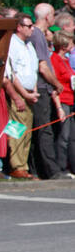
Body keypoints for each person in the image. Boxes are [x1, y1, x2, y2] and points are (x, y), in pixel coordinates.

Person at [2, 9, 39, 179]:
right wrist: (22, 94)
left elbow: (33, 70)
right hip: (19, 93)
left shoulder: (29, 45)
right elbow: (13, 74)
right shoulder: (13, 44)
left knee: (28, 132)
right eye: (29, 26)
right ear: (19, 27)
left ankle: (23, 165)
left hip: (31, 93)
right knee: (17, 130)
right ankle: (16, 165)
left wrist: (34, 91)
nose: (32, 29)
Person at [29, 2, 62, 178]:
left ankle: (37, 169)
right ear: (48, 17)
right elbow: (43, 66)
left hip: (38, 87)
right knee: (45, 130)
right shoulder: (38, 35)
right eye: (53, 15)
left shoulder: (34, 34)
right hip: (41, 87)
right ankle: (51, 170)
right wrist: (56, 84)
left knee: (39, 130)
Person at [50, 30, 75, 178]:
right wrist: (59, 107)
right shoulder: (54, 59)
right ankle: (61, 167)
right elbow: (55, 85)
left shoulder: (65, 60)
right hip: (63, 100)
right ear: (63, 45)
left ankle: (70, 165)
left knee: (71, 137)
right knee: (63, 136)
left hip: (71, 99)